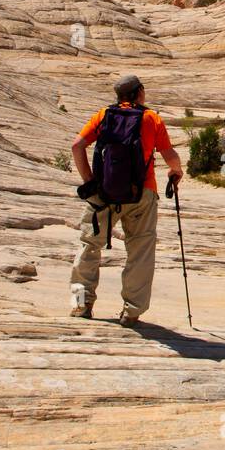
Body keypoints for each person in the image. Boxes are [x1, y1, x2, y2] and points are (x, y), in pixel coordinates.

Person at [68, 74, 182, 326]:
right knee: (139, 252)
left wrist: (90, 181)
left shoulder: (103, 115)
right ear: (139, 92)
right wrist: (176, 171)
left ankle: (80, 304)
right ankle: (132, 311)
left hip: (104, 192)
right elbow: (169, 154)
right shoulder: (151, 118)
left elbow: (77, 146)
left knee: (89, 245)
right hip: (142, 193)